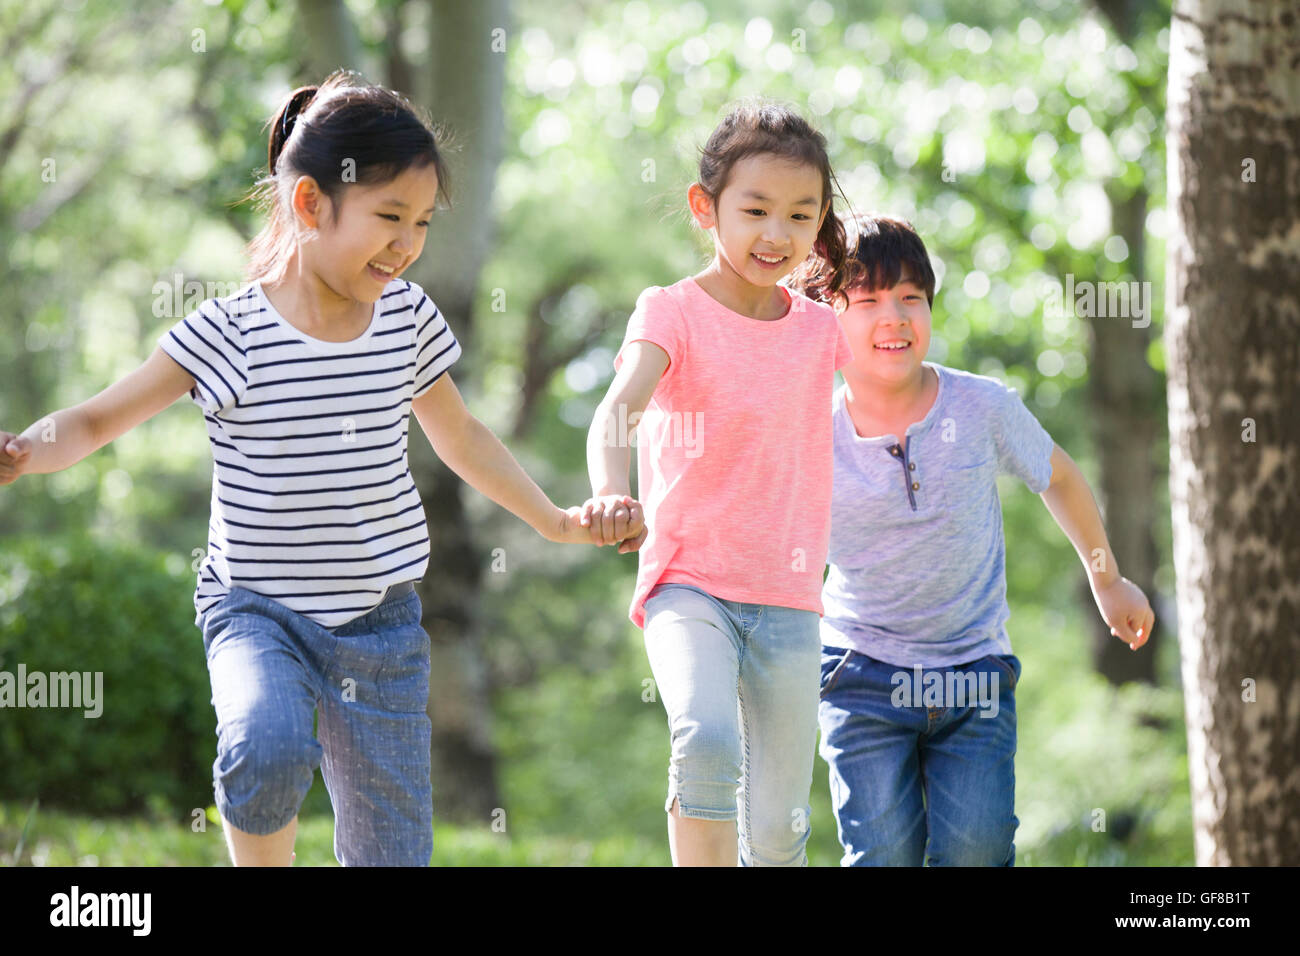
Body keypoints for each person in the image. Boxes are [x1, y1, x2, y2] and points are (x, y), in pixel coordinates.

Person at [0, 70, 642, 867]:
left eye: (420, 222)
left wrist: (552, 518)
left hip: (380, 624)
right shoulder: (228, 335)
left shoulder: (406, 319)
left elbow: (461, 435)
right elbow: (99, 417)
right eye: (387, 217)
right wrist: (25, 450)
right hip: (257, 612)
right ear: (310, 203)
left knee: (392, 857)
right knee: (265, 750)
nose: (407, 243)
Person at [792, 213, 1154, 865]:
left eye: (911, 298)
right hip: (861, 674)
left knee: (979, 850)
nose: (894, 318)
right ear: (827, 316)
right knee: (883, 854)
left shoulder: (980, 407)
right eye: (868, 301)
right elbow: (773, 545)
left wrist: (1107, 577)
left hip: (973, 674)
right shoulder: (810, 435)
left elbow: (1061, 478)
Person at [585, 99, 858, 866]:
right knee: (704, 736)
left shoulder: (820, 330)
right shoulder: (671, 310)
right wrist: (613, 492)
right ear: (706, 208)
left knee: (776, 831)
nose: (777, 234)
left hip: (792, 594)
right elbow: (617, 411)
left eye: (801, 215)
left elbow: (885, 402)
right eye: (756, 209)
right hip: (689, 581)